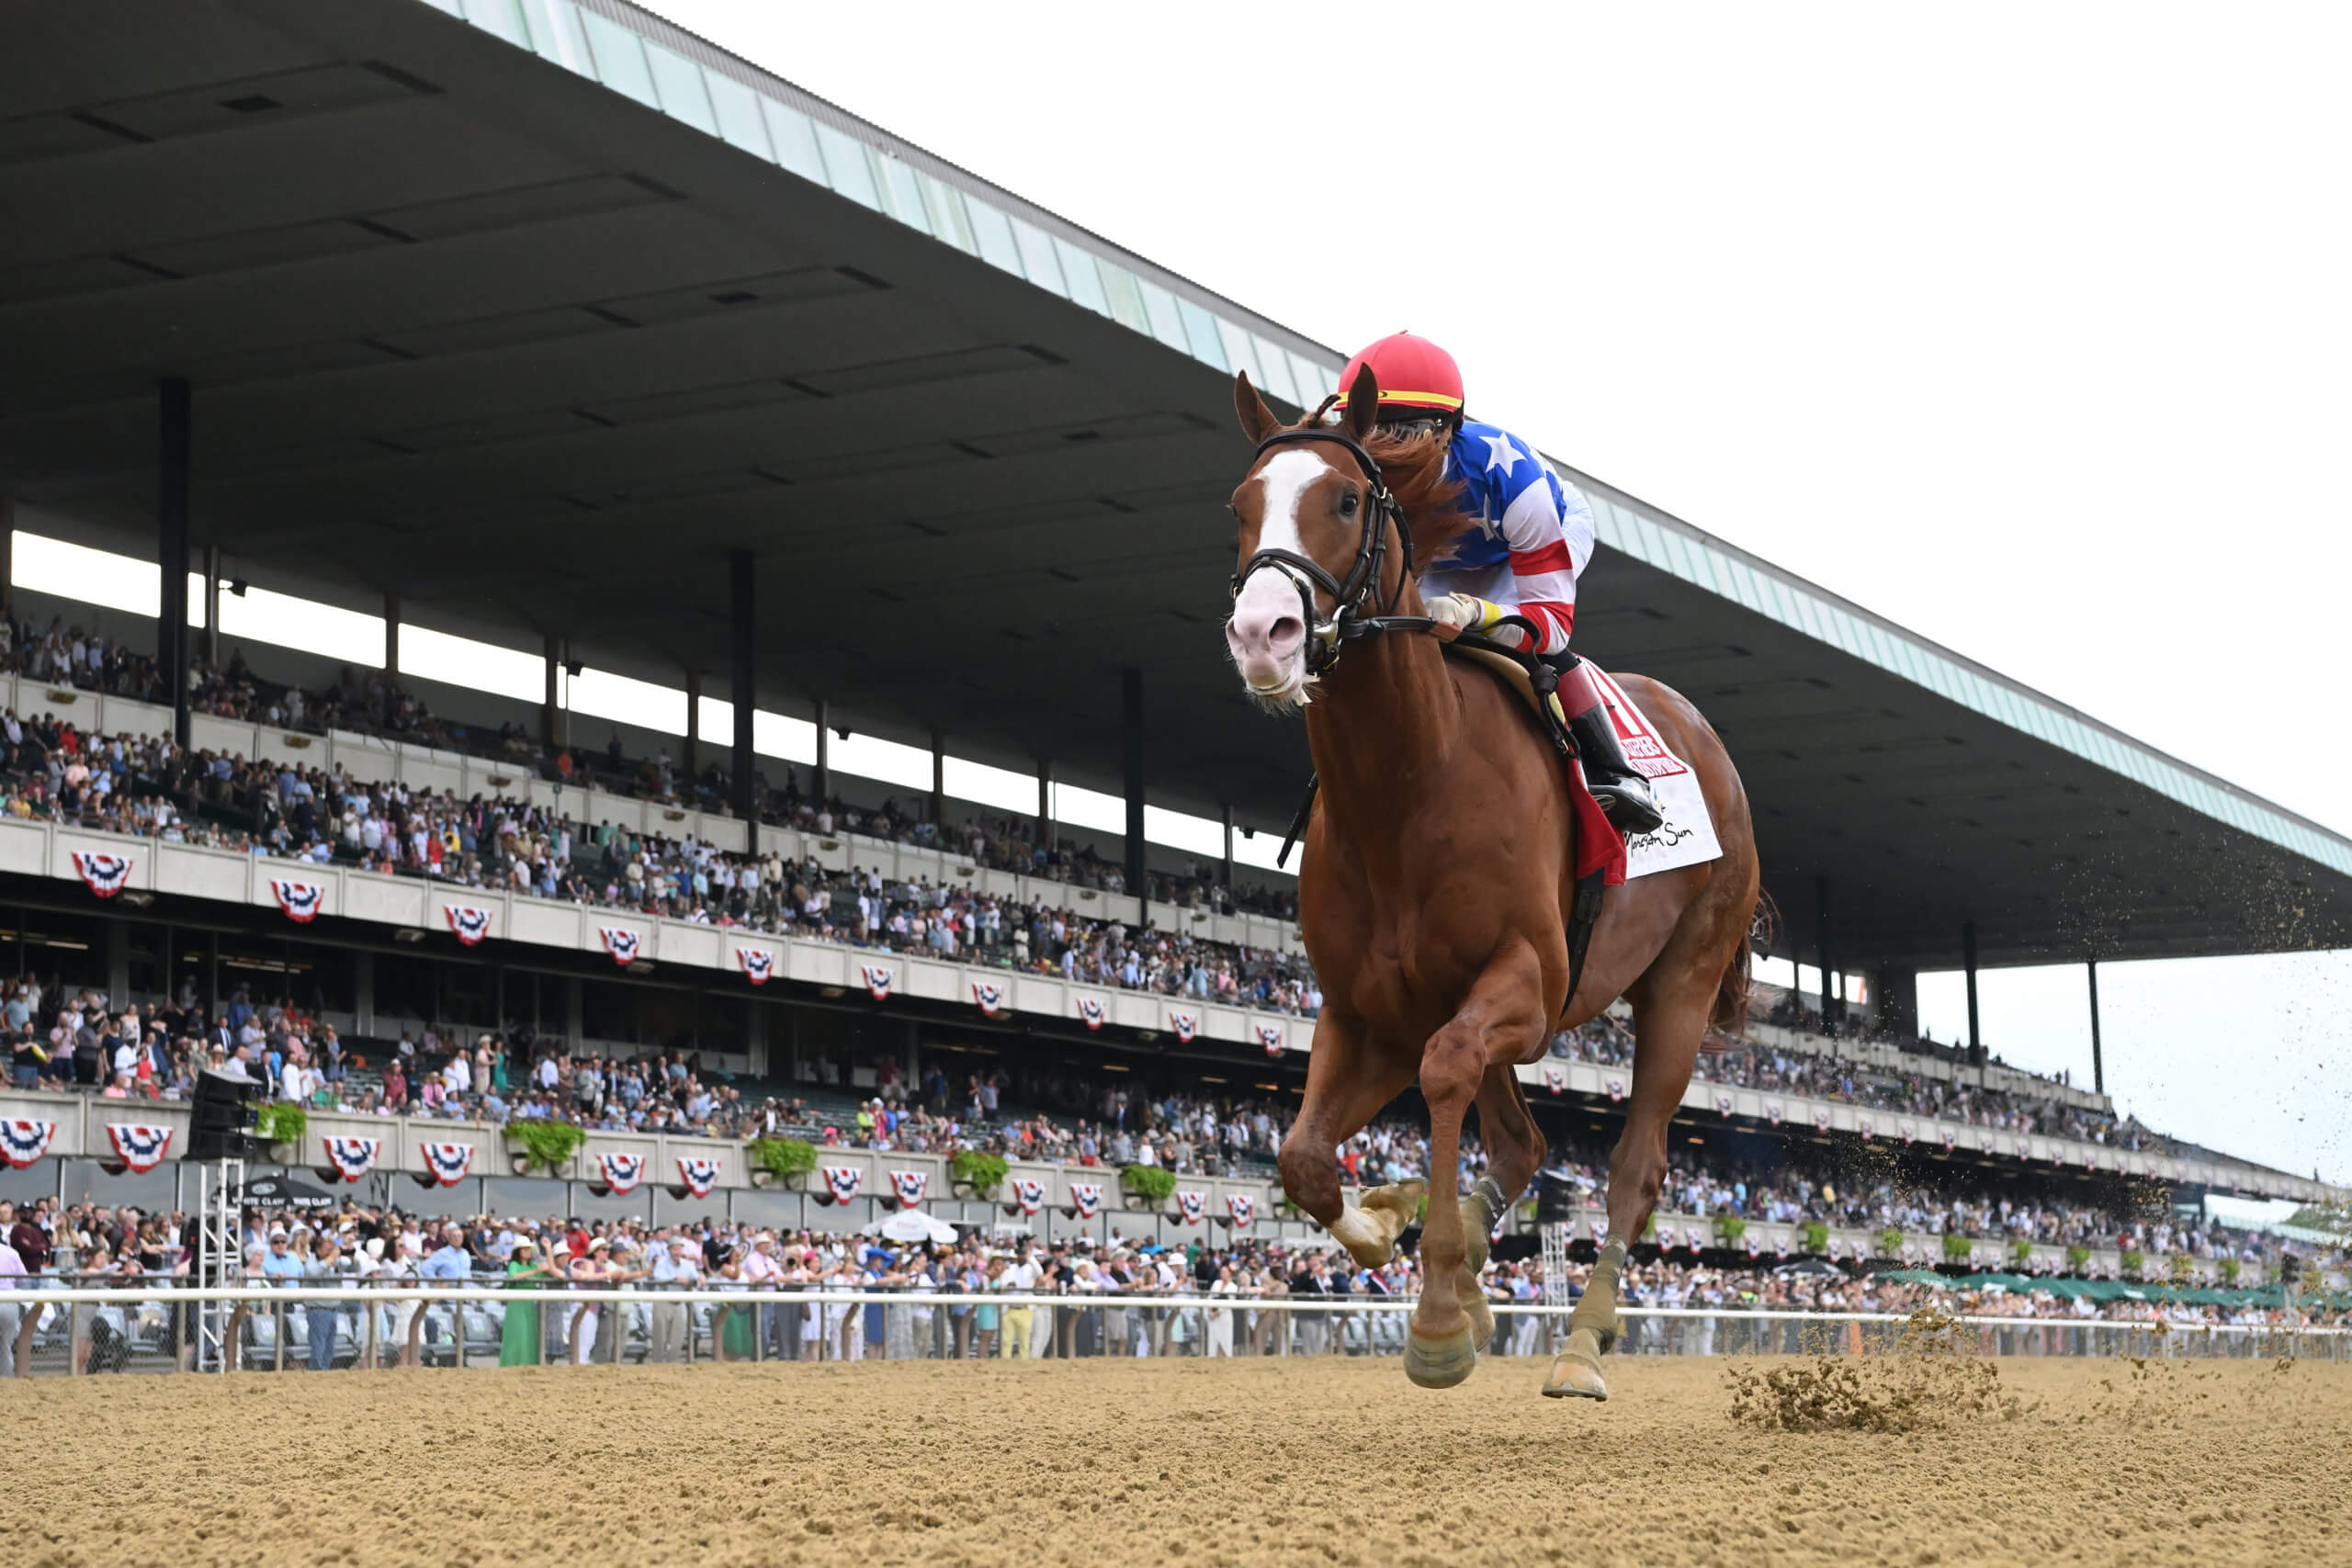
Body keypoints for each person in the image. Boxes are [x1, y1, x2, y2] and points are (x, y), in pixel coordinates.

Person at [1331, 332, 1662, 832]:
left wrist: (1475, 612)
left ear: (1448, 429)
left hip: (1526, 544)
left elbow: (1551, 624)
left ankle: (1618, 772)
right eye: (1372, 429)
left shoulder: (1513, 478)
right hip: (1443, 554)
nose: (1384, 450)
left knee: (1529, 646)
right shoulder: (1351, 470)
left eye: (1406, 431)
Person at [499, 1236, 557, 1368]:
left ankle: (529, 1363)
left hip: (530, 1306)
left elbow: (550, 1272)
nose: (527, 1251)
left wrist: (548, 1250)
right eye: (524, 1249)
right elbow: (514, 1276)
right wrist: (535, 1271)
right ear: (518, 1251)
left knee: (530, 1334)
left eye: (529, 1249)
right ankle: (511, 1363)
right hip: (516, 1305)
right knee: (517, 1334)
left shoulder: (532, 1266)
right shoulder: (515, 1265)